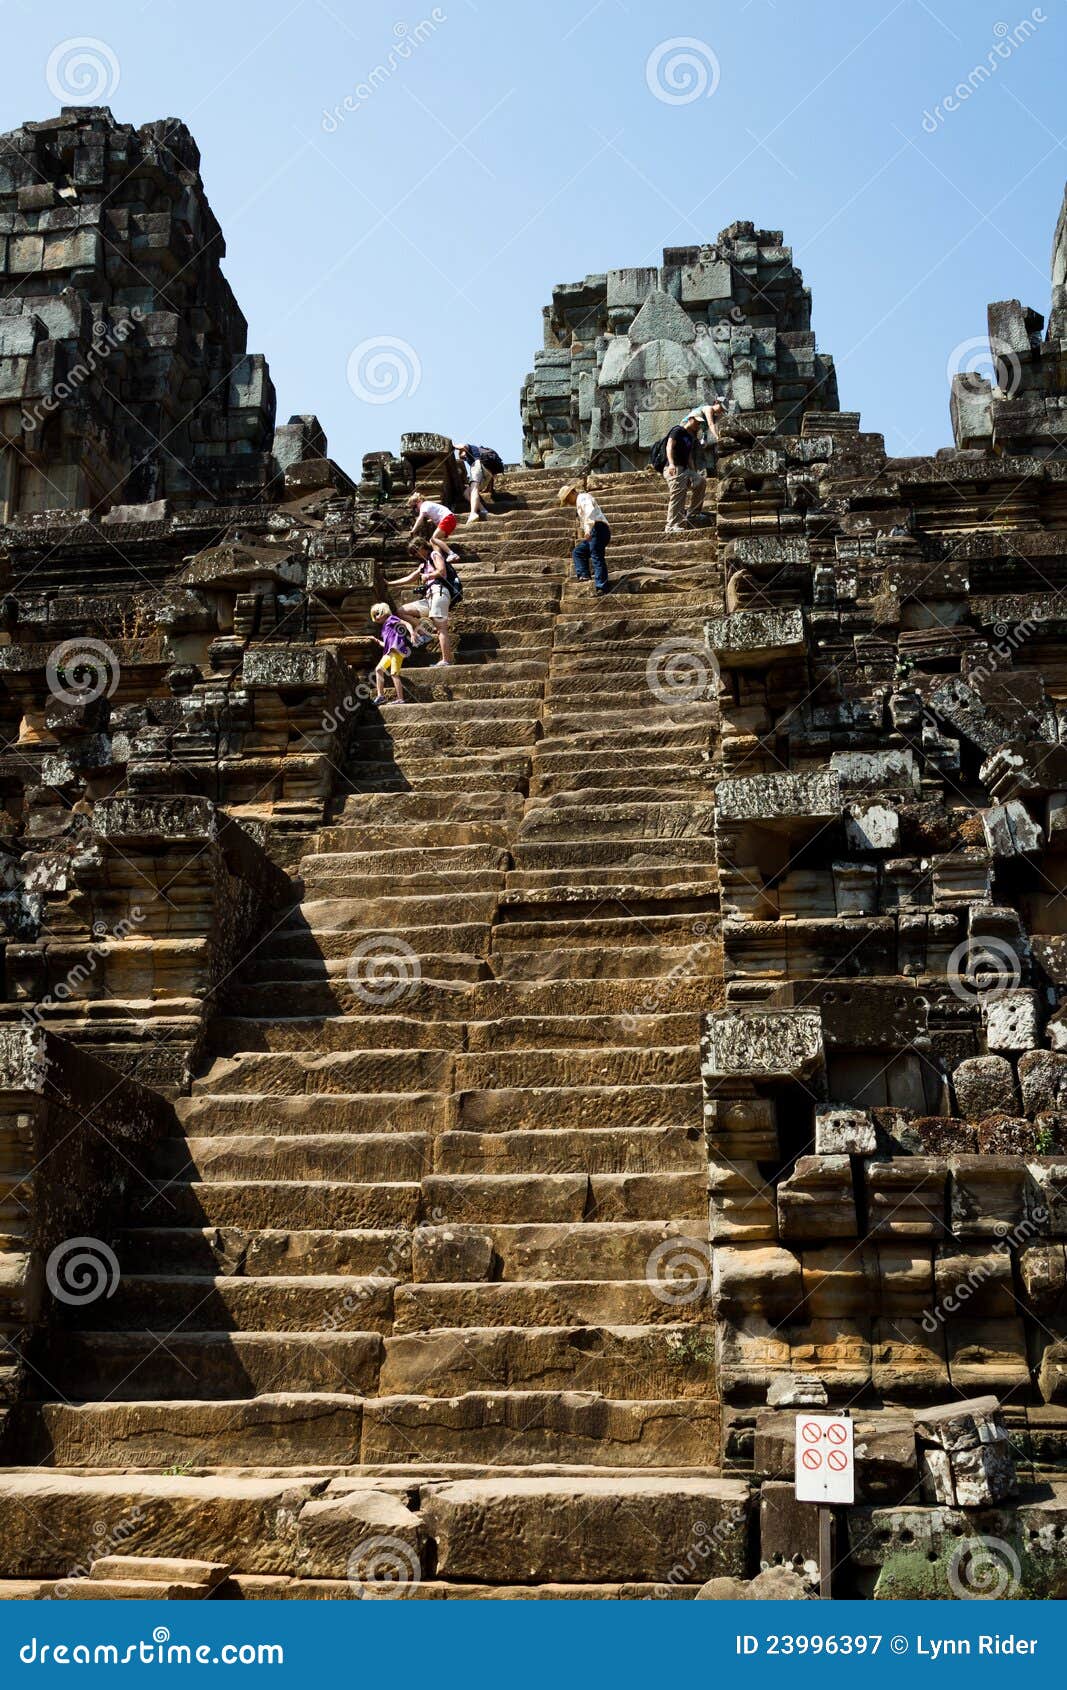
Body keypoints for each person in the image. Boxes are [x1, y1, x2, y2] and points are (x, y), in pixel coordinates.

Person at [390, 539, 456, 667]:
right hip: (429, 597)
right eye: (412, 553)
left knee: (441, 628)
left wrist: (429, 576)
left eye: (415, 551)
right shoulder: (423, 565)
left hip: (439, 592)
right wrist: (389, 583)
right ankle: (424, 633)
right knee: (401, 611)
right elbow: (409, 578)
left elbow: (442, 571)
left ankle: (446, 660)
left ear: (422, 547)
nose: (415, 555)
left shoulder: (434, 555)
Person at [662, 404, 723, 534]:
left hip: (685, 468)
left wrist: (693, 472)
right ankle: (671, 525)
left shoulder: (690, 437)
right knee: (679, 493)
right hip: (674, 467)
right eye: (696, 422)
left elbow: (689, 457)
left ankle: (693, 512)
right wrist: (672, 464)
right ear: (690, 419)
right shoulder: (677, 430)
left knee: (701, 481)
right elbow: (669, 446)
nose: (698, 425)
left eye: (699, 423)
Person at [558, 481, 611, 594]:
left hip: (597, 528)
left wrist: (588, 530)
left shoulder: (583, 497)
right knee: (578, 552)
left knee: (596, 555)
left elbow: (590, 513)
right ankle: (584, 576)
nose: (568, 502)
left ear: (572, 492)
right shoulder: (579, 502)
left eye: (567, 499)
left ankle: (601, 586)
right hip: (595, 530)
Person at [370, 601, 418, 704]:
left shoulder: (391, 619)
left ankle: (400, 698)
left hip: (397, 651)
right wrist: (376, 641)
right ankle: (380, 695)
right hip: (389, 652)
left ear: (384, 611)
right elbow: (387, 644)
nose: (377, 617)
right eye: (375, 615)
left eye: (377, 613)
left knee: (394, 674)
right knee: (379, 669)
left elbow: (406, 623)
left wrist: (412, 633)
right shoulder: (384, 627)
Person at [456, 444, 501, 524]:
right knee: (466, 493)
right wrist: (489, 489)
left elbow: (462, 446)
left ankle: (473, 513)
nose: (462, 458)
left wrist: (452, 445)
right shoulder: (480, 455)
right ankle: (483, 509)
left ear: (463, 452)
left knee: (474, 489)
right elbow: (492, 477)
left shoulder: (470, 448)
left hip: (478, 465)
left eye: (461, 455)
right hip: (488, 473)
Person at [409, 492, 459, 558]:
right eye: (413, 508)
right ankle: (439, 558)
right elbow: (435, 515)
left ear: (419, 501)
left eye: (415, 507)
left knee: (434, 538)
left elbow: (420, 518)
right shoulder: (428, 505)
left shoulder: (424, 505)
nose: (415, 509)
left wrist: (413, 530)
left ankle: (452, 554)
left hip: (448, 518)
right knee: (432, 541)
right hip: (450, 519)